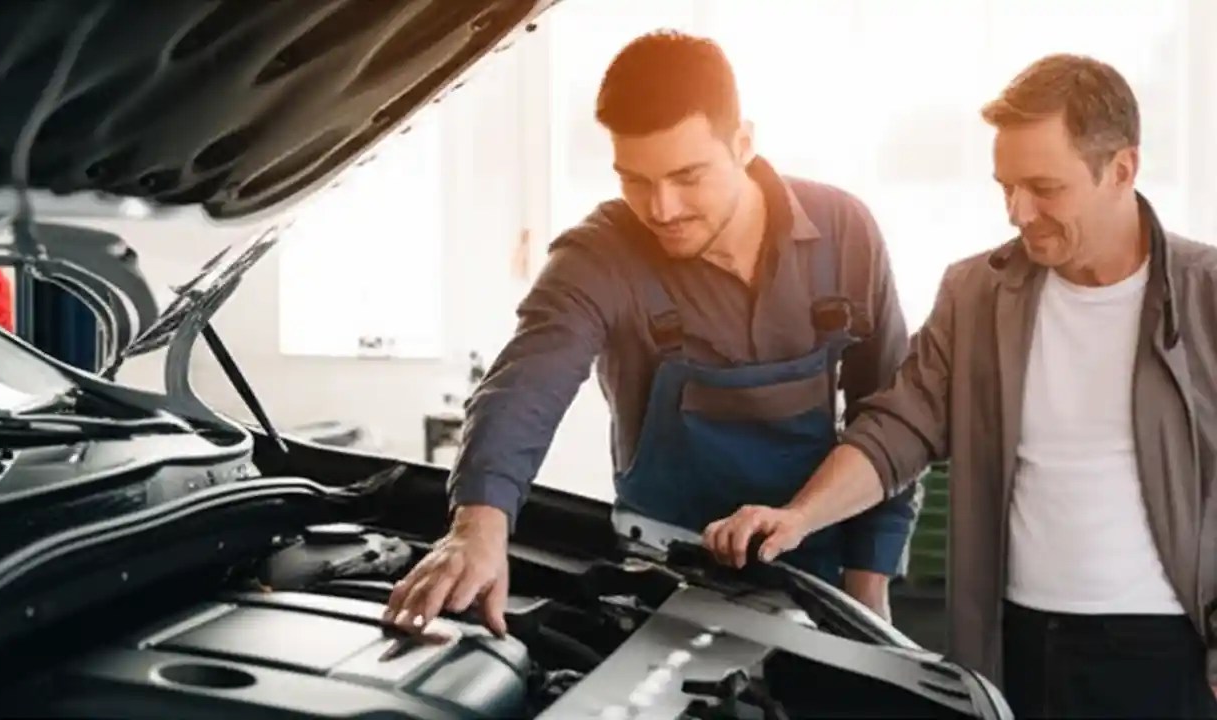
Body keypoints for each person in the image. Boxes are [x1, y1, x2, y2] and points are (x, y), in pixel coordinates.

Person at [702, 52, 1217, 718]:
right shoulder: (976, 293)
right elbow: (899, 425)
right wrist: (799, 516)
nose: (1017, 211)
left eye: (1044, 187)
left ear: (1122, 169)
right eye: (1005, 186)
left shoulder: (1207, 298)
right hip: (1013, 647)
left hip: (1166, 658)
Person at [384, 30, 922, 635]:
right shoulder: (600, 255)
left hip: (821, 578)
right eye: (634, 180)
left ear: (742, 143)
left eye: (687, 176)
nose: (661, 208)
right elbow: (523, 387)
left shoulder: (844, 231)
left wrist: (866, 589)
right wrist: (477, 528)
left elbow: (893, 421)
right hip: (661, 584)